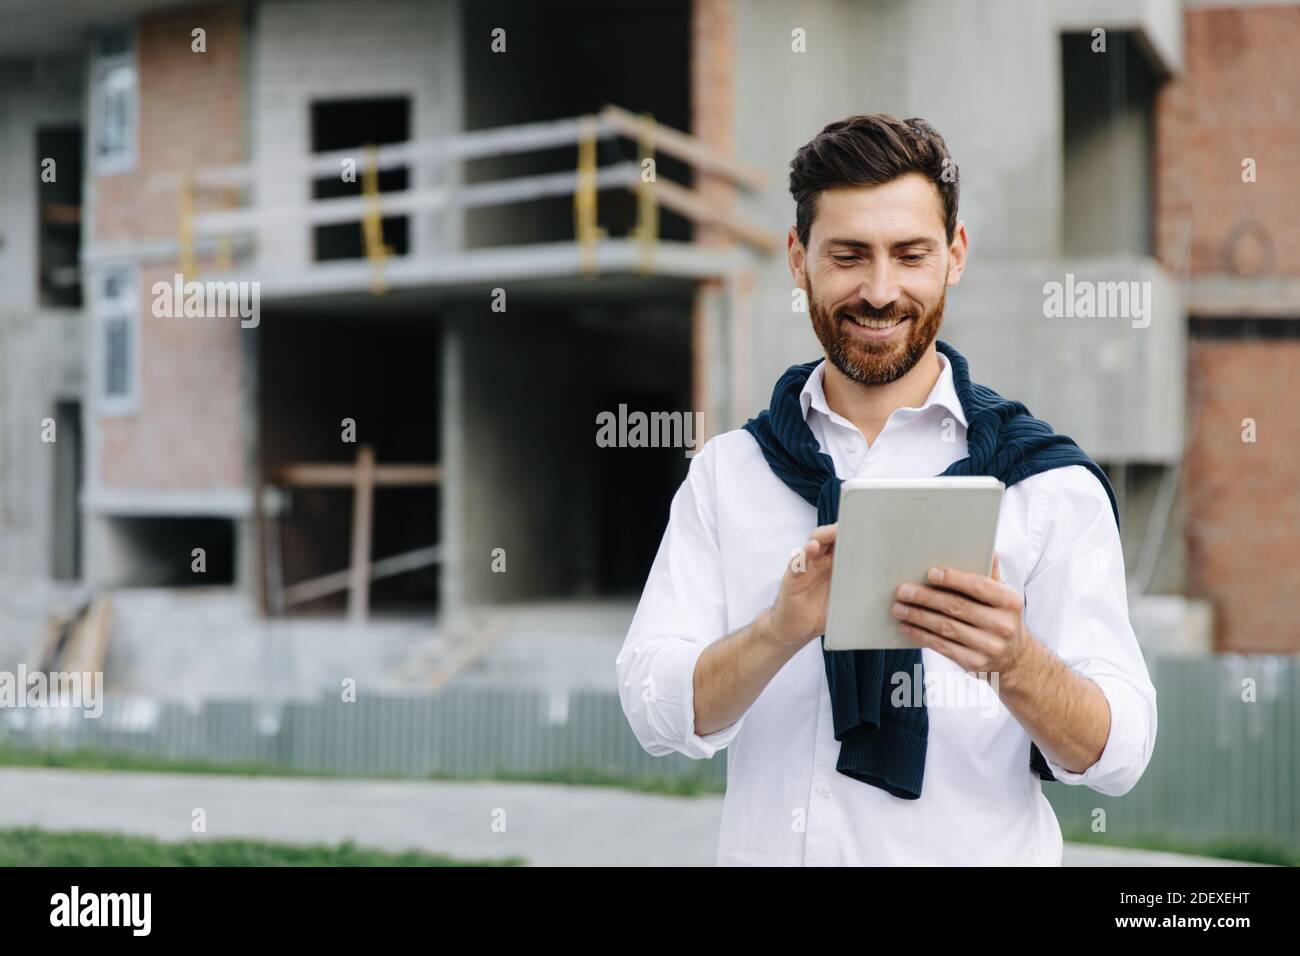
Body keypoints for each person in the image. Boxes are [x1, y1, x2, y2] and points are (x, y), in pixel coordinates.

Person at [615, 113, 1157, 866]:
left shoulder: (1048, 485)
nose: (879, 290)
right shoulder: (729, 473)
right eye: (848, 255)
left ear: (954, 255)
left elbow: (1121, 752)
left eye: (909, 255)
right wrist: (778, 632)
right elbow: (653, 708)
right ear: (798, 259)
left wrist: (1015, 659)